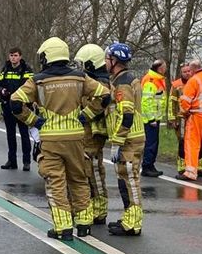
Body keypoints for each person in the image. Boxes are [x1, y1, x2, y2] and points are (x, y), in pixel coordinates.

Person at [11, 37, 110, 240]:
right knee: (79, 179)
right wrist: (86, 115)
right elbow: (104, 95)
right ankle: (84, 224)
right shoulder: (80, 78)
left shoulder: (38, 80)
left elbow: (15, 102)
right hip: (76, 137)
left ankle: (63, 227)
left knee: (56, 181)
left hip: (51, 139)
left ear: (47, 56)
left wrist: (34, 121)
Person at [104, 42, 147, 236]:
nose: (105, 62)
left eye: (107, 59)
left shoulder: (123, 83)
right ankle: (129, 218)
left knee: (130, 181)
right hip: (131, 138)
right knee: (125, 180)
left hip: (129, 139)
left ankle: (134, 223)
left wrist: (118, 141)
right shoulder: (126, 79)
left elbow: (127, 114)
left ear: (115, 61)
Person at [73, 43, 111, 224]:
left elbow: (95, 105)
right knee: (86, 170)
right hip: (86, 134)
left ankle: (99, 209)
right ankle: (91, 206)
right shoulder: (94, 80)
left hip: (94, 134)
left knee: (94, 171)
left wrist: (83, 115)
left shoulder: (101, 83)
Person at [0, 48, 35, 171]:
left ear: (20, 56)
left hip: (22, 107)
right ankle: (12, 161)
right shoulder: (5, 69)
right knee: (10, 135)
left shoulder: (26, 69)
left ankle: (26, 162)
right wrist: (2, 91)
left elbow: (29, 86)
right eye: (11, 55)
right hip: (7, 106)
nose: (13, 58)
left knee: (24, 134)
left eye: (16, 55)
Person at [140, 59, 168, 177]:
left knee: (154, 143)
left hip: (154, 118)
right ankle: (147, 166)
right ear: (160, 68)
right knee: (151, 143)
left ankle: (150, 165)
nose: (165, 69)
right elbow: (146, 101)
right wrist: (151, 118)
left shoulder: (157, 79)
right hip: (150, 119)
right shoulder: (151, 81)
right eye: (164, 67)